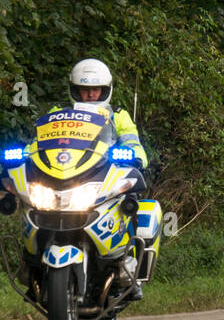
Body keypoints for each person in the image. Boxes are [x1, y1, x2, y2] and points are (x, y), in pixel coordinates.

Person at [16, 59, 151, 300]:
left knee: (131, 201)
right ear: (74, 89)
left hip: (102, 173)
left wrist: (135, 157)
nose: (90, 94)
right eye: (84, 89)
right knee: (31, 202)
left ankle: (129, 267)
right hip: (62, 175)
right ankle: (33, 265)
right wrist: (25, 153)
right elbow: (39, 142)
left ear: (105, 90)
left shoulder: (118, 116)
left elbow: (133, 142)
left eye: (95, 89)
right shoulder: (57, 113)